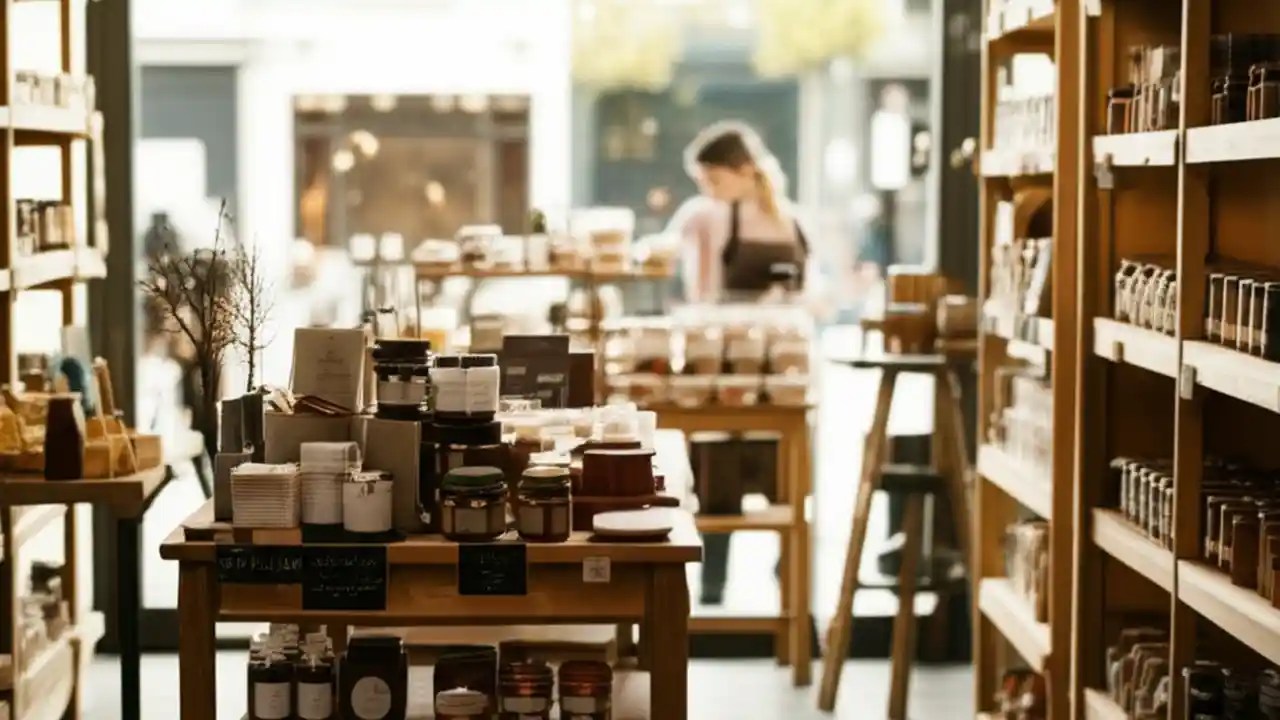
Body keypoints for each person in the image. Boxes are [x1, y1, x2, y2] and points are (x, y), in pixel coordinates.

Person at [668, 121, 810, 605]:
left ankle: (712, 590)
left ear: (742, 170)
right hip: (780, 374)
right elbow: (803, 296)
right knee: (784, 485)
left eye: (712, 180)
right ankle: (788, 589)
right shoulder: (790, 218)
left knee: (718, 479)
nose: (707, 191)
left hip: (727, 369)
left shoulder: (708, 218)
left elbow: (700, 293)